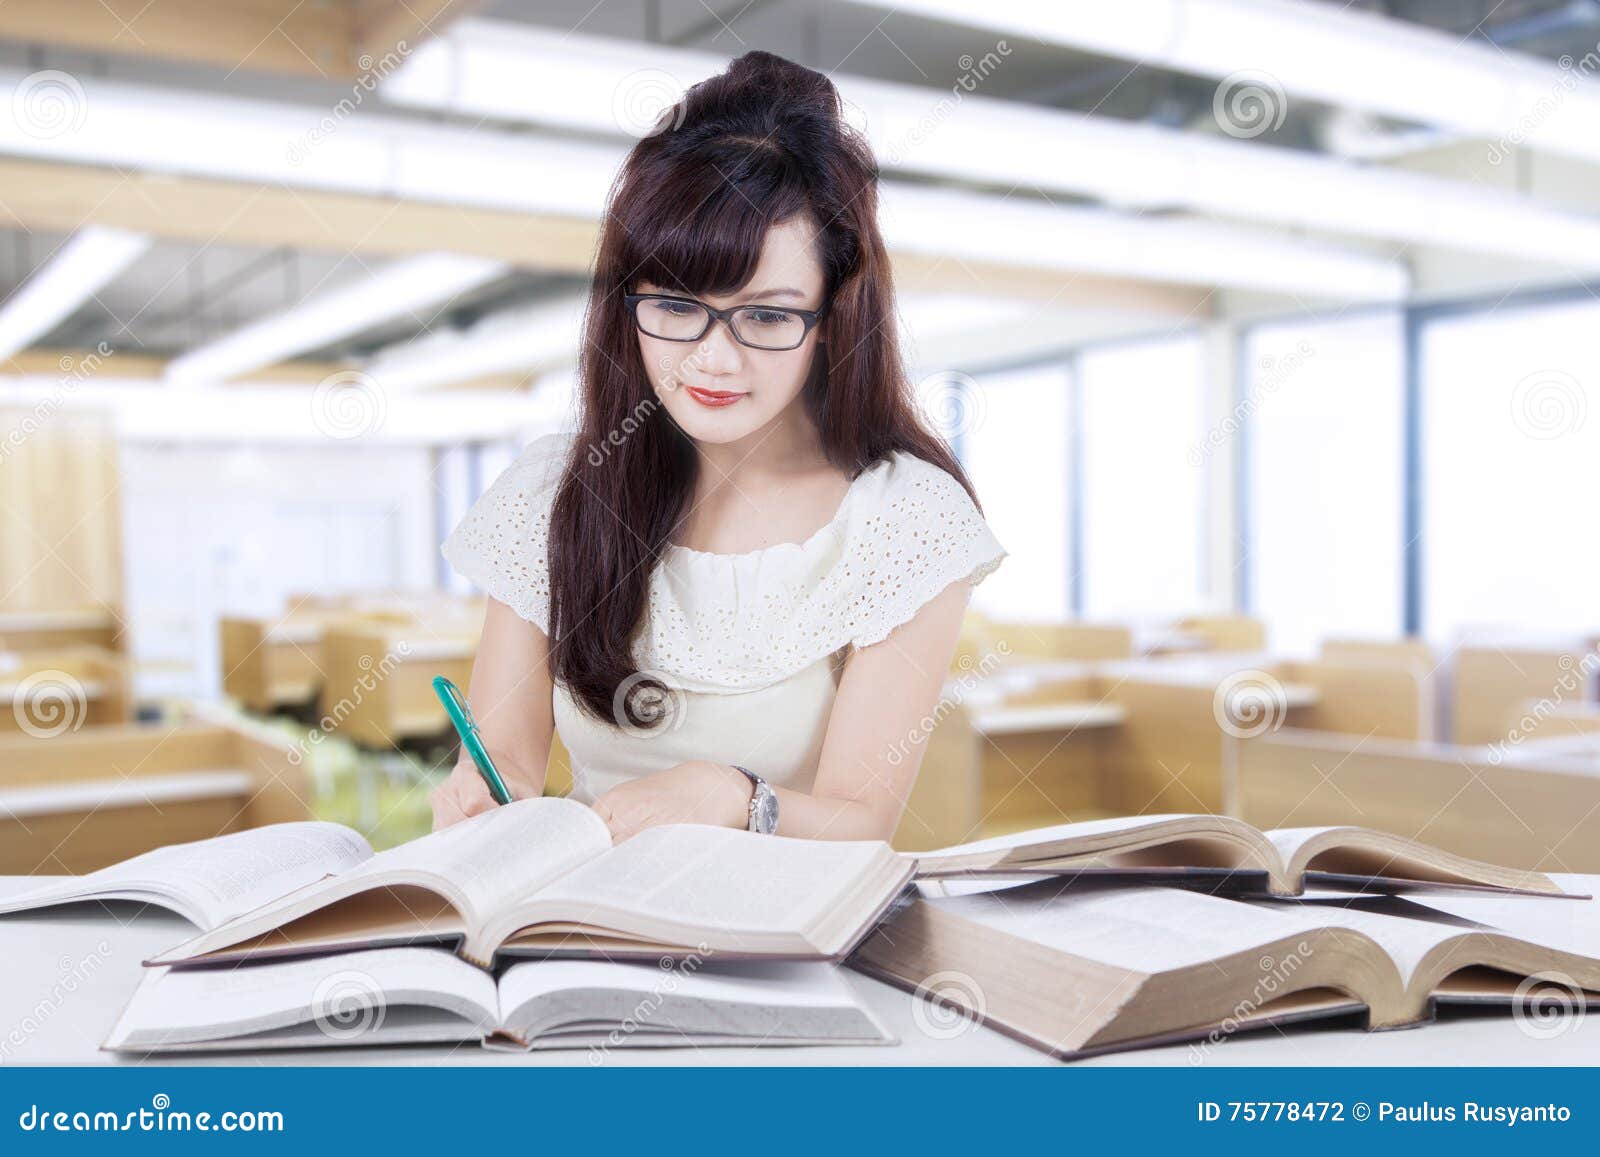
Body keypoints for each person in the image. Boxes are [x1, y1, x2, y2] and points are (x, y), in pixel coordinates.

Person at [433, 50, 1005, 844]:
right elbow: (506, 757)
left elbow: (861, 821)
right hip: (579, 904)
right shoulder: (556, 488)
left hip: (784, 917)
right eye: (675, 306)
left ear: (833, 316)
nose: (713, 360)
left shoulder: (906, 517)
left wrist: (738, 796)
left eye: (766, 316)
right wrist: (481, 790)